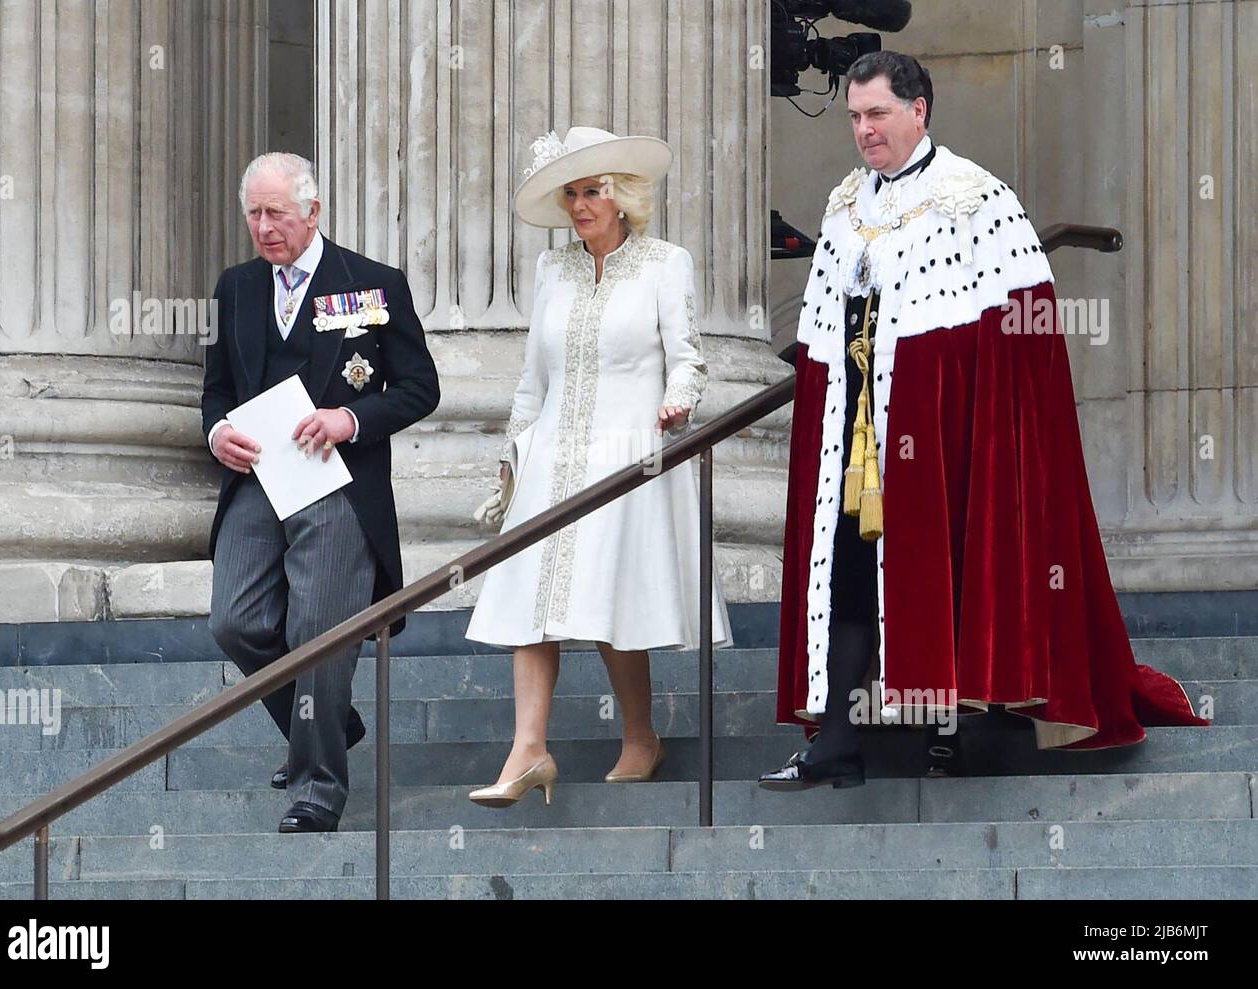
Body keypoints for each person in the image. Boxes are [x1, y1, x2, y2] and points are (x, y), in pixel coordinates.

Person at [761, 52, 1207, 791]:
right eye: (854, 118)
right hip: (855, 432)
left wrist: (983, 430)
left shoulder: (978, 197)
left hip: (946, 436)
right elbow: (823, 337)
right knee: (845, 577)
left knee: (942, 576)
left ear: (918, 110)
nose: (864, 131)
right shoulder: (845, 204)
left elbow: (1027, 338)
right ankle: (834, 744)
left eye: (876, 114)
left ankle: (949, 734)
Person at [464, 127, 732, 807]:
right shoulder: (552, 270)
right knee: (531, 597)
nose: (580, 205)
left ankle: (639, 735)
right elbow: (533, 377)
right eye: (572, 193)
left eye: (593, 190)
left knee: (612, 597)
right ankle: (528, 749)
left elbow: (688, 358)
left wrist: (677, 402)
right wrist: (511, 459)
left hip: (627, 453)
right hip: (552, 453)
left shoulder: (666, 262)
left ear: (623, 196)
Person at [202, 152, 440, 831]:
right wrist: (217, 432)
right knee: (235, 620)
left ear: (313, 211)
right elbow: (217, 389)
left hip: (339, 481)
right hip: (258, 478)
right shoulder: (237, 286)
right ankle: (330, 721)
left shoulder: (371, 283)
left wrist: (352, 418)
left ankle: (318, 784)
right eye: (253, 213)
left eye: (276, 212)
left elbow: (421, 387)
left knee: (320, 632)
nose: (264, 226)